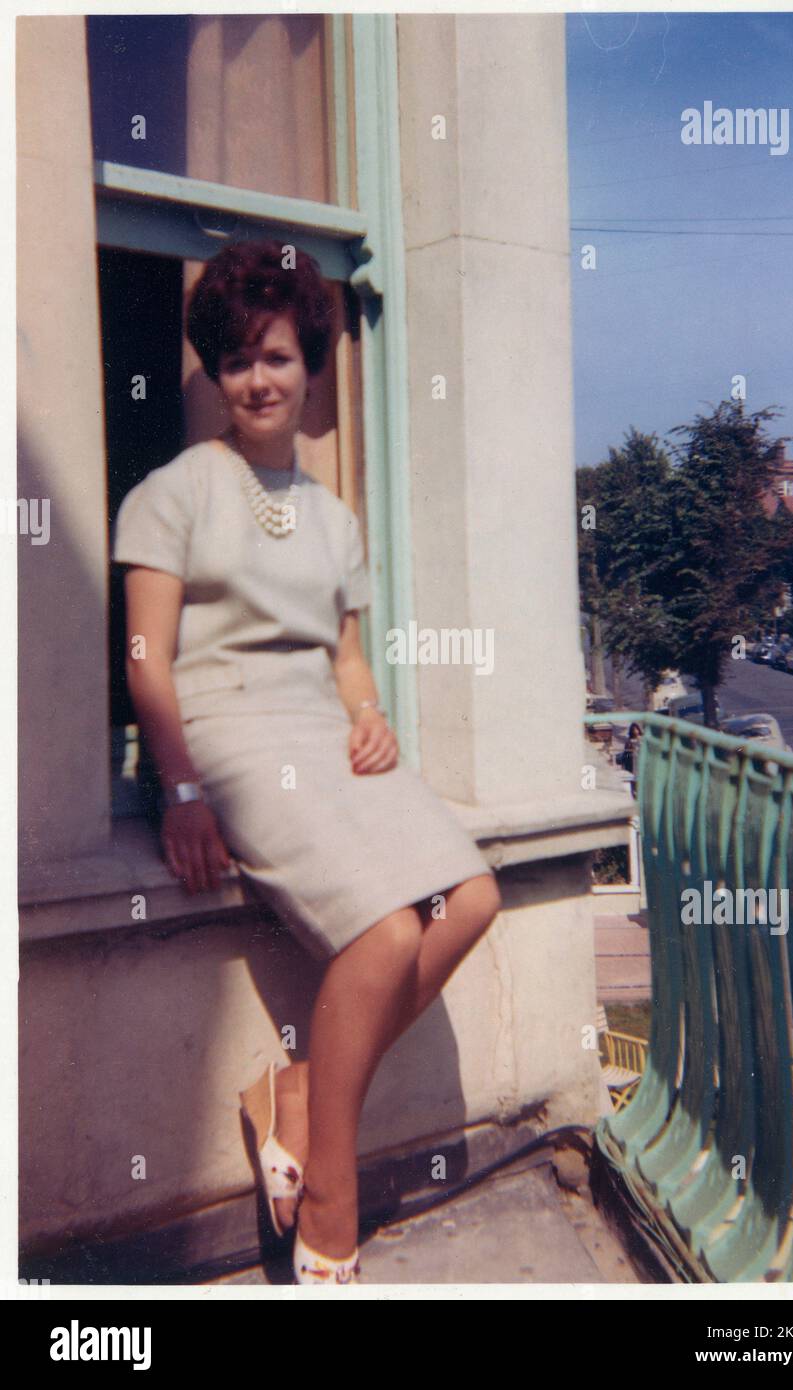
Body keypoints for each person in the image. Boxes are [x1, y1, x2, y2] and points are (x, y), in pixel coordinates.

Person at [112, 239, 502, 1285]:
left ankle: (291, 1092)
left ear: (309, 365)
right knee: (381, 932)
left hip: (322, 736)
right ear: (215, 371)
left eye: (277, 358)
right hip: (227, 732)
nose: (259, 380)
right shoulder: (173, 492)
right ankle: (330, 1189)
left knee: (469, 896)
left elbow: (347, 660)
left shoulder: (332, 519)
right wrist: (181, 786)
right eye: (238, 361)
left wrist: (370, 716)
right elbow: (146, 661)